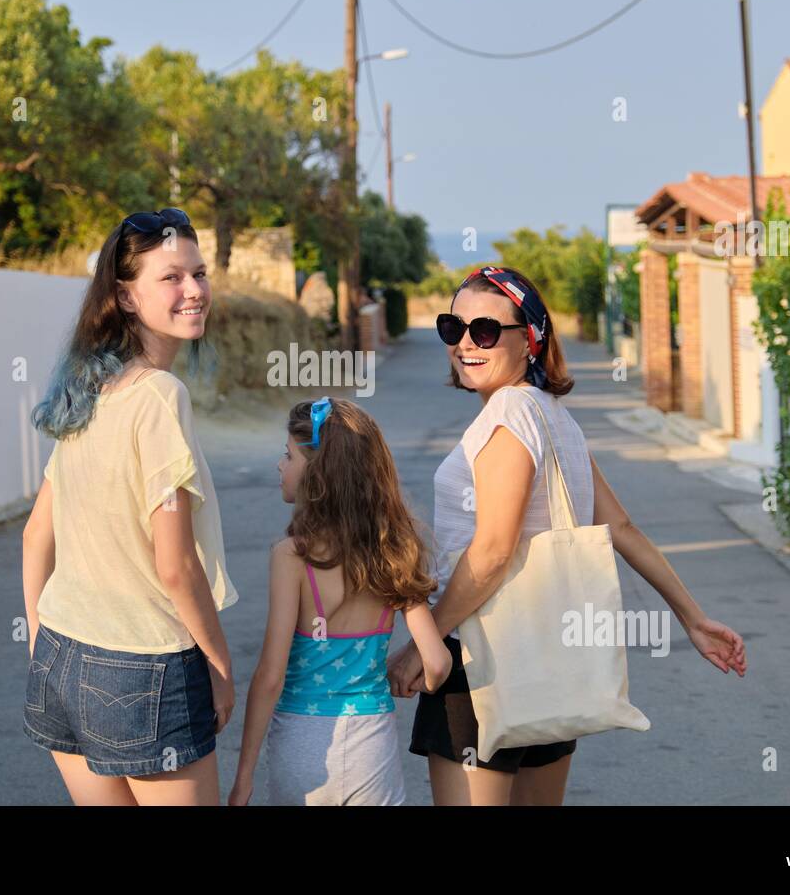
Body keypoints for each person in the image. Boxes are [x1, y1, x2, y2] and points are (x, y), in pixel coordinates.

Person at [387, 265, 748, 806]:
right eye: (452, 328)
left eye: (485, 331)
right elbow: (620, 527)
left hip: (481, 662)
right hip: (549, 658)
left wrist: (426, 642)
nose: (465, 344)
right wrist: (692, 618)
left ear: (530, 339)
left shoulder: (507, 417)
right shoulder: (556, 418)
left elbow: (491, 552)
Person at [21, 208, 237, 805]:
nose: (194, 290)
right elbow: (176, 567)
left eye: (200, 273)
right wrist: (220, 667)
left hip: (63, 652)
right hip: (146, 666)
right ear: (125, 295)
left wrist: (42, 636)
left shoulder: (86, 388)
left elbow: (35, 535)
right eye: (171, 277)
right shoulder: (160, 397)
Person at [230, 397, 452, 805]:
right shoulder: (396, 549)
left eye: (289, 455)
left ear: (318, 474)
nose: (281, 465)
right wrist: (413, 680)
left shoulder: (292, 555)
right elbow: (436, 663)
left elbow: (270, 676)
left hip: (303, 744)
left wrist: (243, 774)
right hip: (372, 744)